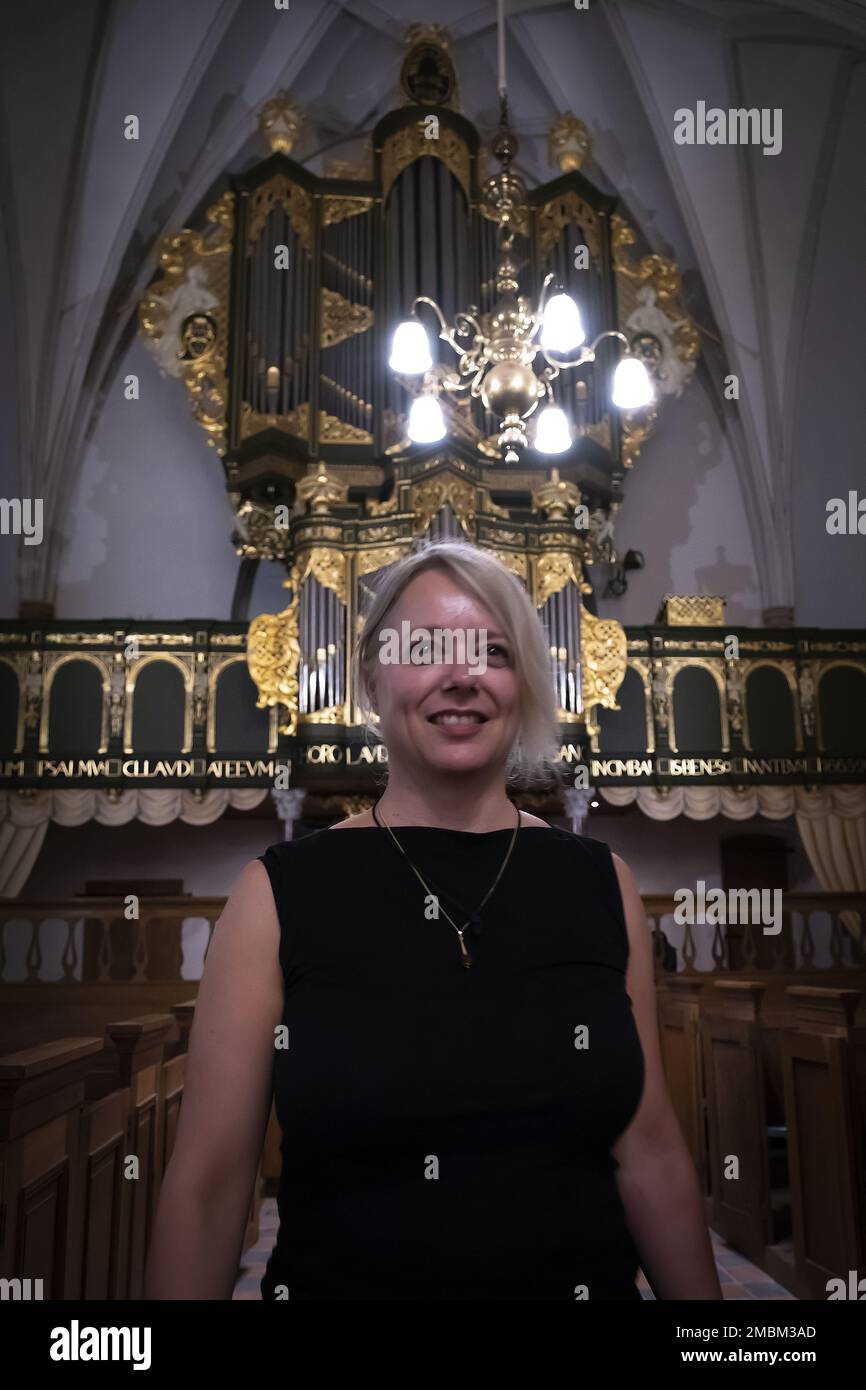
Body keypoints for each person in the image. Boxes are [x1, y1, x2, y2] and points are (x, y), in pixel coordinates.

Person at [144, 539, 721, 1300]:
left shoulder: (602, 884)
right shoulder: (276, 895)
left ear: (525, 683)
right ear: (372, 678)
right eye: (425, 647)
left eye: (493, 650)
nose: (462, 675)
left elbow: (649, 1153)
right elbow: (212, 1186)